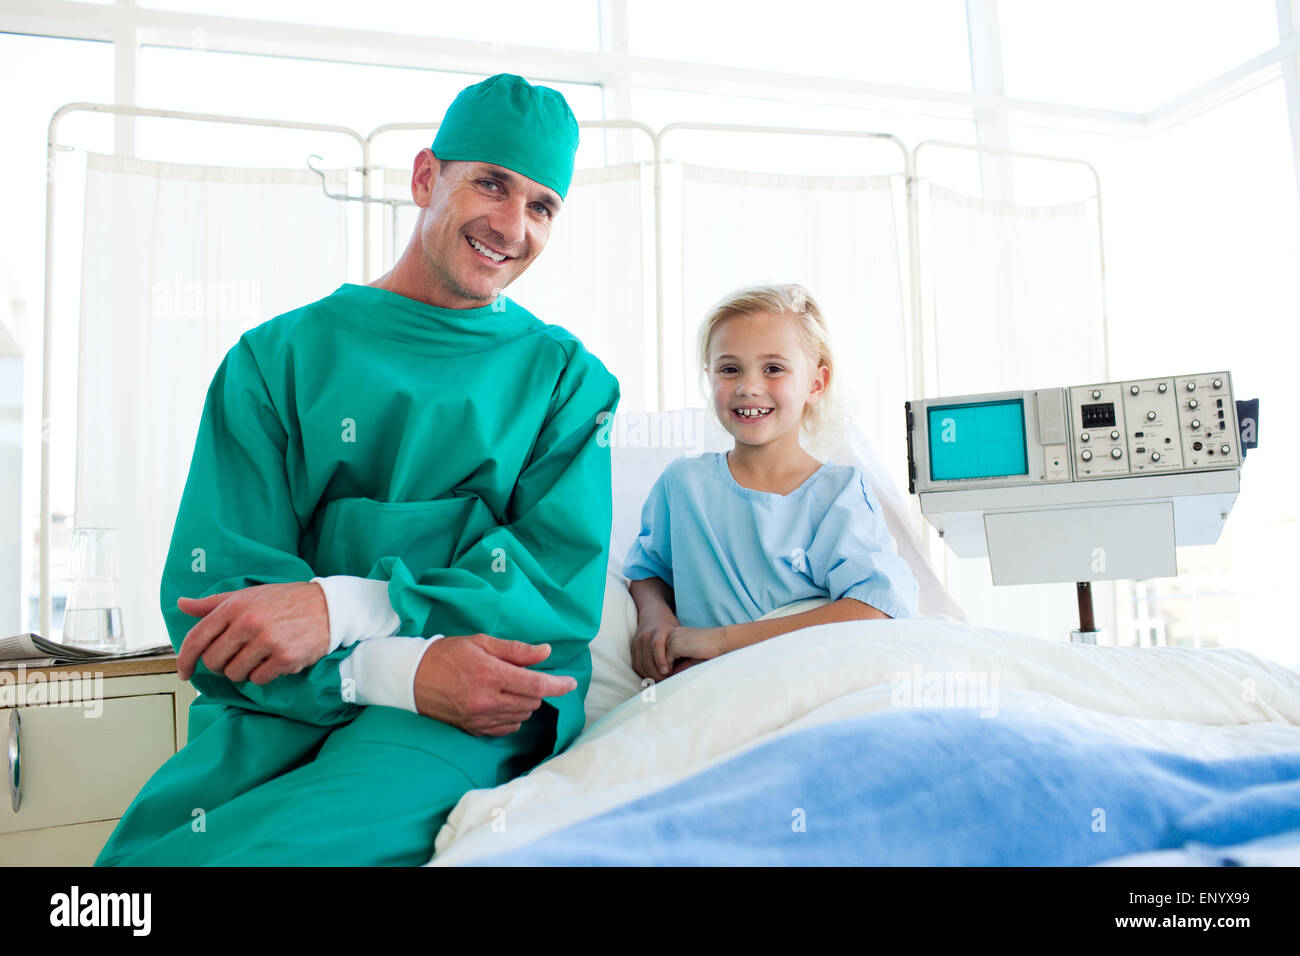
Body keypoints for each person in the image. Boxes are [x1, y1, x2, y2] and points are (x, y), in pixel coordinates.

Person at [95, 74, 620, 866]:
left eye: (542, 206)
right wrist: (389, 666)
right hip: (284, 706)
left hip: (466, 710)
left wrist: (339, 607)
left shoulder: (567, 383)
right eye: (491, 184)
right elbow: (219, 608)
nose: (512, 226)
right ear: (423, 179)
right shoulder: (275, 363)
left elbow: (547, 587)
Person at [624, 283, 917, 681]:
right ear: (710, 378)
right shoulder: (683, 485)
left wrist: (721, 641)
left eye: (773, 369)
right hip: (707, 691)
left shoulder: (839, 494)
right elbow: (648, 569)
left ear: (816, 382)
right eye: (730, 369)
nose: (749, 387)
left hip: (806, 682)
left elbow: (876, 607)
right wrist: (655, 618)